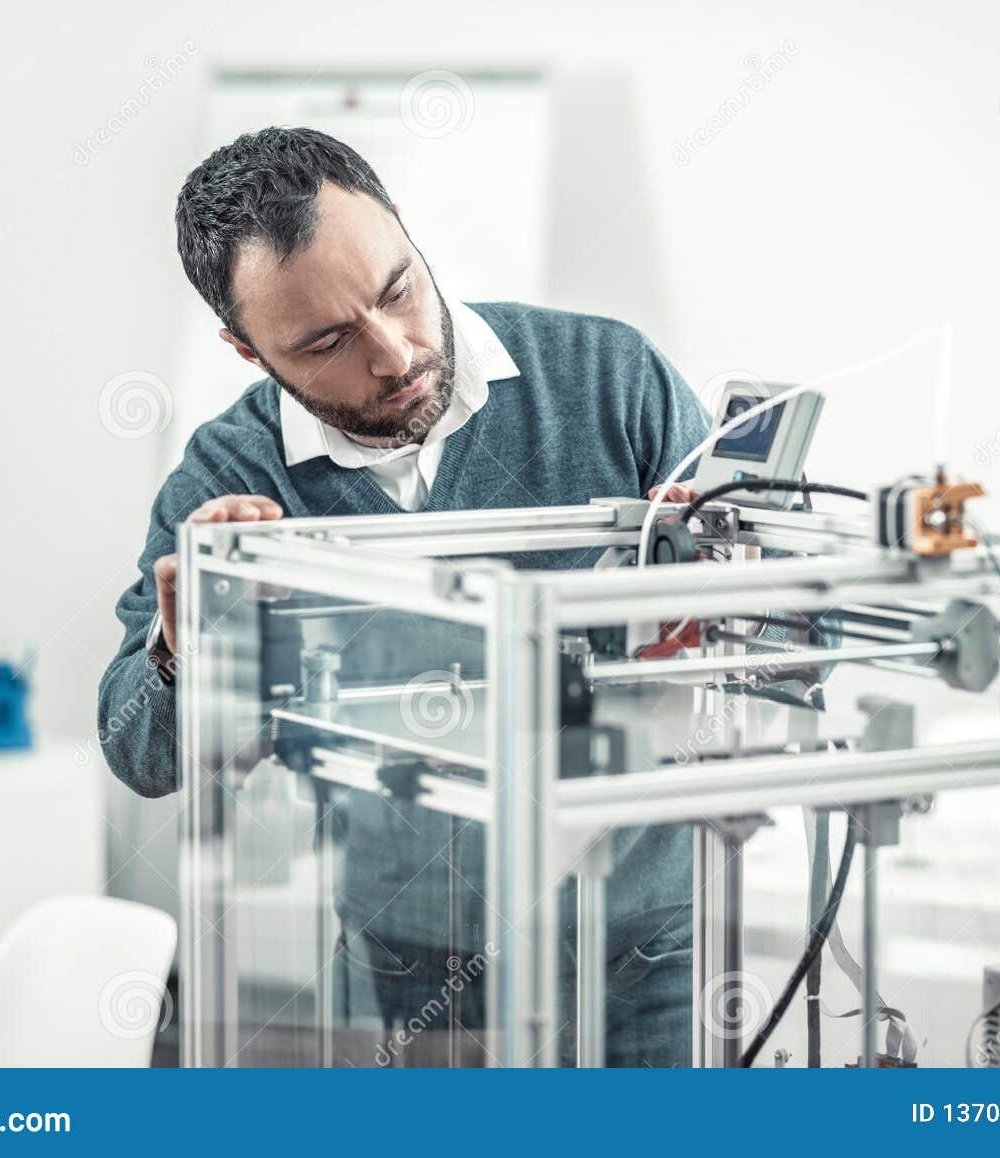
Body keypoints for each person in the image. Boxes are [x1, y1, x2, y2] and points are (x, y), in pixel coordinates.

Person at [98, 126, 709, 1066]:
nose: (394, 355)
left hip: (646, 954)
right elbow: (140, 751)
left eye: (397, 289)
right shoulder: (231, 470)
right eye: (328, 341)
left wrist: (705, 586)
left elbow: (765, 641)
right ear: (247, 348)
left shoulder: (611, 379)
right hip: (410, 971)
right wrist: (188, 655)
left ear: (409, 234)